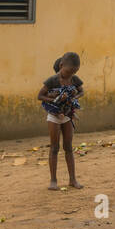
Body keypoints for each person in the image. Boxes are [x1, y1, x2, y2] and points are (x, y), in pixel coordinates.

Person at [37, 52, 84, 190]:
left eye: (74, 72)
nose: (71, 75)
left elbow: (82, 92)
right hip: (54, 116)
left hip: (68, 115)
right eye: (69, 71)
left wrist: (75, 96)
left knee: (68, 147)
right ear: (61, 65)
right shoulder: (51, 80)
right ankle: (53, 181)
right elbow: (40, 96)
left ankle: (73, 180)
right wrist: (55, 99)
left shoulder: (74, 79)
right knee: (54, 148)